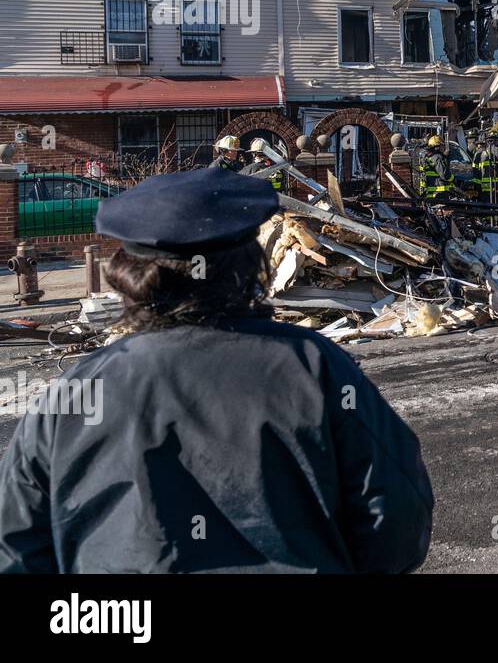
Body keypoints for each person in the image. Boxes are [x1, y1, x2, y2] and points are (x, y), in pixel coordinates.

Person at [0, 168, 433, 573]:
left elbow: (17, 544)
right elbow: (396, 516)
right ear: (251, 265)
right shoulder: (315, 366)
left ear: (127, 275)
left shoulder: (76, 391)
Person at [419, 134, 454, 203]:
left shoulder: (427, 156)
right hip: (440, 193)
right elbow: (445, 176)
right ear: (437, 147)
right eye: (442, 146)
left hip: (430, 192)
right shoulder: (438, 157)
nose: (443, 148)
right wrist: (453, 178)